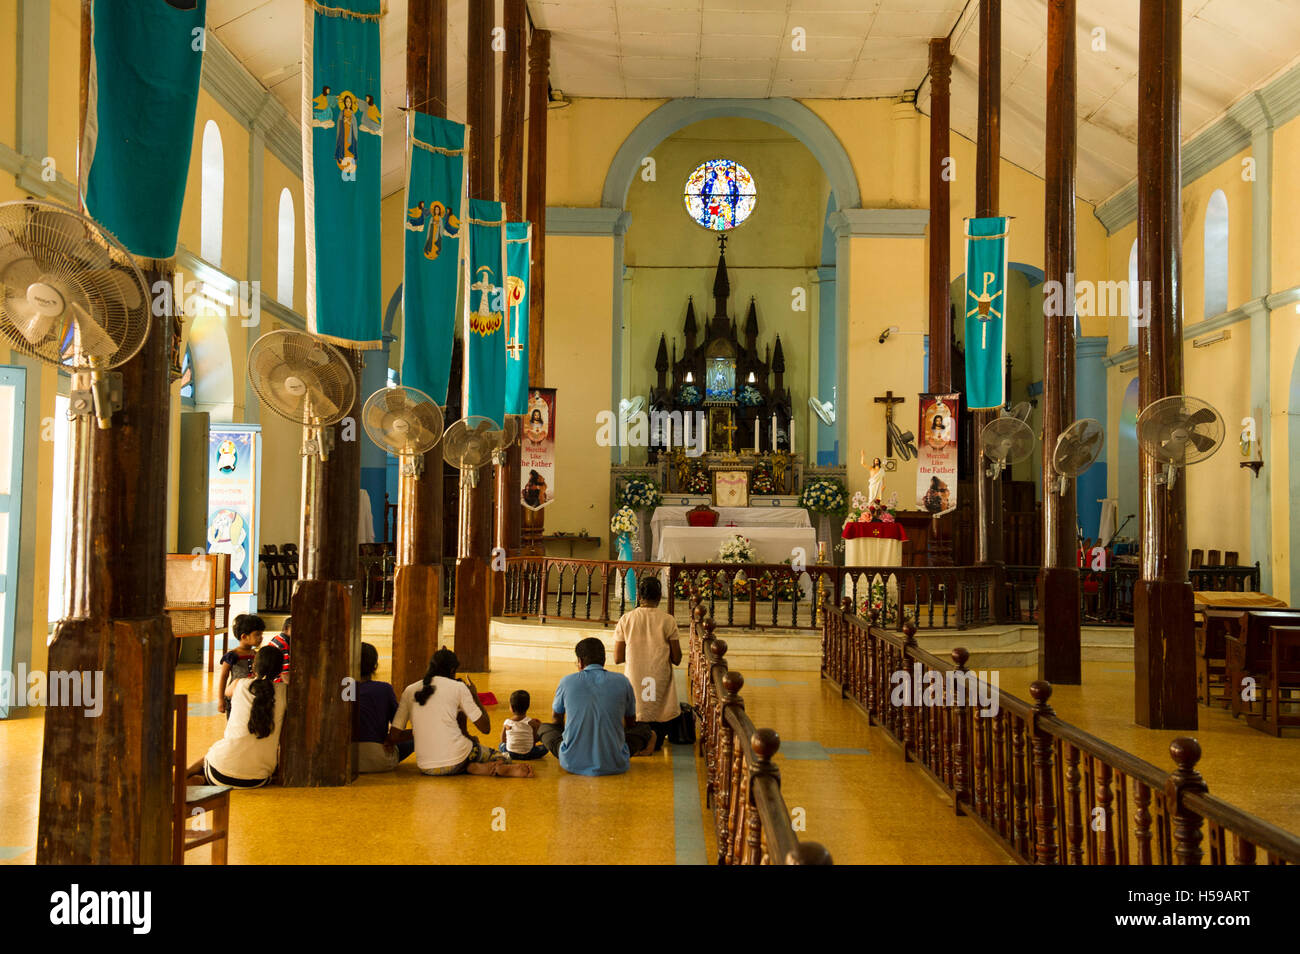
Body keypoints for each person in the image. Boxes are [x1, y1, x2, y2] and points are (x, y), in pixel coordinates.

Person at [388, 649, 532, 778]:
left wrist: (421, 731)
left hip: (427, 767)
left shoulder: (409, 690)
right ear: (452, 671)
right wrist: (475, 696)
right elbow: (485, 728)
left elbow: (394, 735)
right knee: (502, 756)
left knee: (465, 751)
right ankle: (490, 767)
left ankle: (471, 768)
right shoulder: (458, 687)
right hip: (458, 756)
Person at [539, 637, 656, 776]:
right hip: (616, 762)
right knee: (644, 729)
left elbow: (556, 720)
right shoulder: (622, 681)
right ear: (604, 660)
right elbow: (630, 722)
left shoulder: (566, 681)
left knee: (544, 728)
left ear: (580, 662)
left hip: (571, 762)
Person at [190, 646, 286, 789]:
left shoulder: (239, 684)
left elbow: (227, 693)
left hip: (218, 772)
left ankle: (185, 776)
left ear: (254, 666)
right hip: (257, 780)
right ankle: (200, 779)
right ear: (280, 670)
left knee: (213, 752)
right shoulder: (285, 692)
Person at [613, 578, 682, 750]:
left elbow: (617, 657)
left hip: (635, 676)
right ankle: (655, 739)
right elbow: (677, 658)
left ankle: (639, 739)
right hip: (658, 676)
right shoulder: (668, 620)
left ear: (639, 596)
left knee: (637, 709)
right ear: (659, 597)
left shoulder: (626, 619)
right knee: (656, 706)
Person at [355, 642, 414, 773]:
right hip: (378, 758)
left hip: (346, 760)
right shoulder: (384, 688)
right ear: (375, 666)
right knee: (415, 738)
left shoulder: (344, 688)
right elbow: (398, 727)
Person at [217, 614, 264, 719]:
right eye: (257, 634)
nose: (261, 638)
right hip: (234, 694)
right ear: (244, 636)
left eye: (261, 634)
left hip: (250, 695)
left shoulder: (256, 654)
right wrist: (221, 699)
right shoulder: (232, 655)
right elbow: (223, 677)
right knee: (234, 719)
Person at [498, 690, 548, 760]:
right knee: (545, 747)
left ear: (511, 708)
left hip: (511, 754)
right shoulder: (532, 722)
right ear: (528, 706)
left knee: (501, 745)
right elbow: (534, 740)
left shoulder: (507, 722)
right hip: (529, 754)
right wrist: (539, 725)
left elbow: (503, 740)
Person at [268, 617, 290, 684]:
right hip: (279, 682)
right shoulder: (283, 645)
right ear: (286, 628)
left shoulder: (276, 638)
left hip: (272, 679)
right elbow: (285, 673)